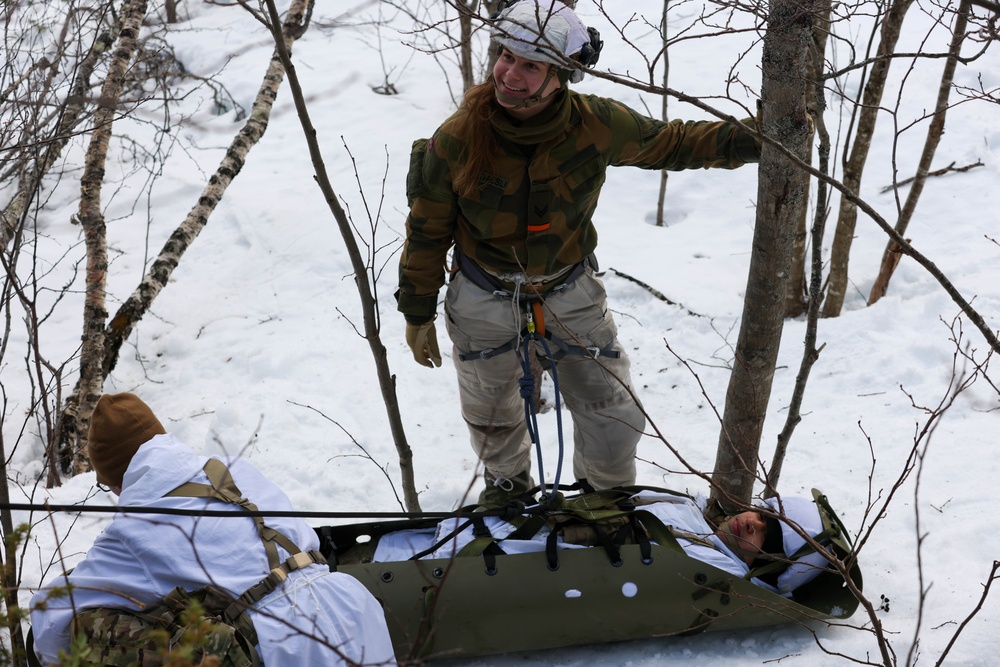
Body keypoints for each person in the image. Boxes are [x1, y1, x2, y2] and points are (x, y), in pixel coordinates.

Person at [397, 0, 761, 505]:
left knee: (611, 411)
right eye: (507, 56)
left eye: (531, 65)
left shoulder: (596, 124)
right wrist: (417, 312)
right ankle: (507, 494)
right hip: (482, 297)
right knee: (492, 416)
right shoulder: (457, 138)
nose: (510, 74)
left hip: (570, 293)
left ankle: (606, 502)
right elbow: (427, 230)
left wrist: (761, 138)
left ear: (562, 75)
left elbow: (675, 143)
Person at [30, 393, 397, 667]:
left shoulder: (133, 530)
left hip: (283, 644)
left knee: (88, 626)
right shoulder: (235, 469)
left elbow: (52, 616)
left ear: (115, 478)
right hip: (353, 609)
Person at [358, 488, 834, 597]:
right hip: (457, 535)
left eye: (767, 536)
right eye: (765, 514)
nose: (751, 523)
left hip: (460, 566)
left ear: (771, 564)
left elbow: (777, 594)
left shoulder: (723, 574)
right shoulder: (684, 506)